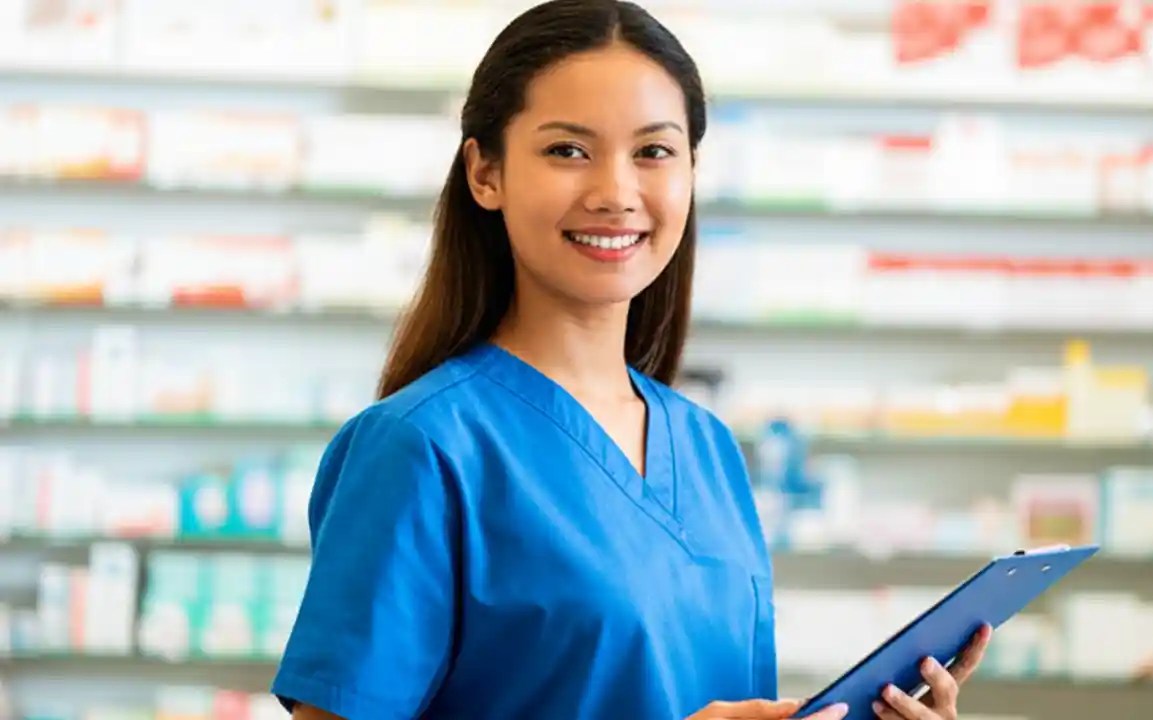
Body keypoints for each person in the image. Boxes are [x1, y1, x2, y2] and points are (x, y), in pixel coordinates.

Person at [272, 1, 990, 719]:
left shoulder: (705, 447)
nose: (616, 193)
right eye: (568, 151)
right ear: (485, 173)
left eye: (653, 152)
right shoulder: (422, 447)